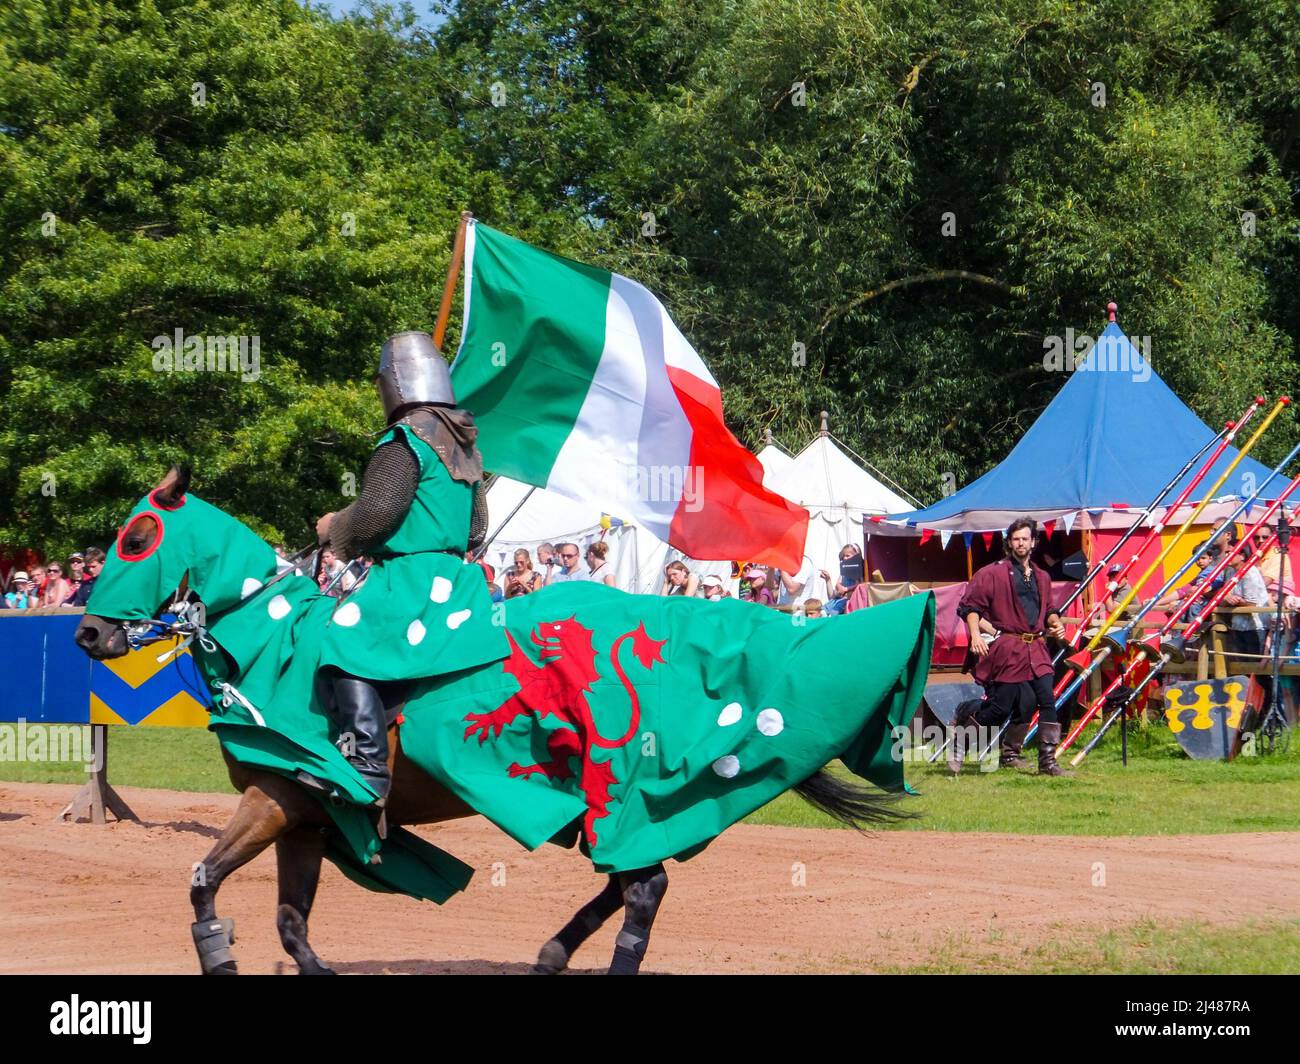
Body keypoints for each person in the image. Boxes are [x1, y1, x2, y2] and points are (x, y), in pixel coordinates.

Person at [314, 330, 508, 810]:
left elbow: (379, 512)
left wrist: (336, 526)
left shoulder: (404, 439)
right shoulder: (462, 445)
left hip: (411, 580)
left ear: (393, 383)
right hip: (456, 581)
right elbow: (476, 529)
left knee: (341, 640)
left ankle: (366, 766)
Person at [955, 517, 1070, 776]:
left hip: (1037, 647)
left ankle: (1047, 763)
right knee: (999, 709)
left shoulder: (1041, 576)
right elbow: (970, 607)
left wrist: (1055, 622)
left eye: (1025, 538)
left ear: (1033, 543)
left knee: (1046, 700)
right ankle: (962, 739)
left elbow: (1049, 610)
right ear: (1009, 542)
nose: (1020, 543)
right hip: (1008, 648)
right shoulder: (992, 573)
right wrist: (975, 635)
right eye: (1016, 538)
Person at [820, 544, 865, 614]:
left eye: (847, 556)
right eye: (843, 556)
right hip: (838, 601)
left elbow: (860, 585)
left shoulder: (858, 570)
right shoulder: (843, 573)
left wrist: (846, 589)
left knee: (834, 611)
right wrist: (828, 580)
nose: (845, 558)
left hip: (849, 604)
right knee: (822, 610)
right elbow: (834, 595)